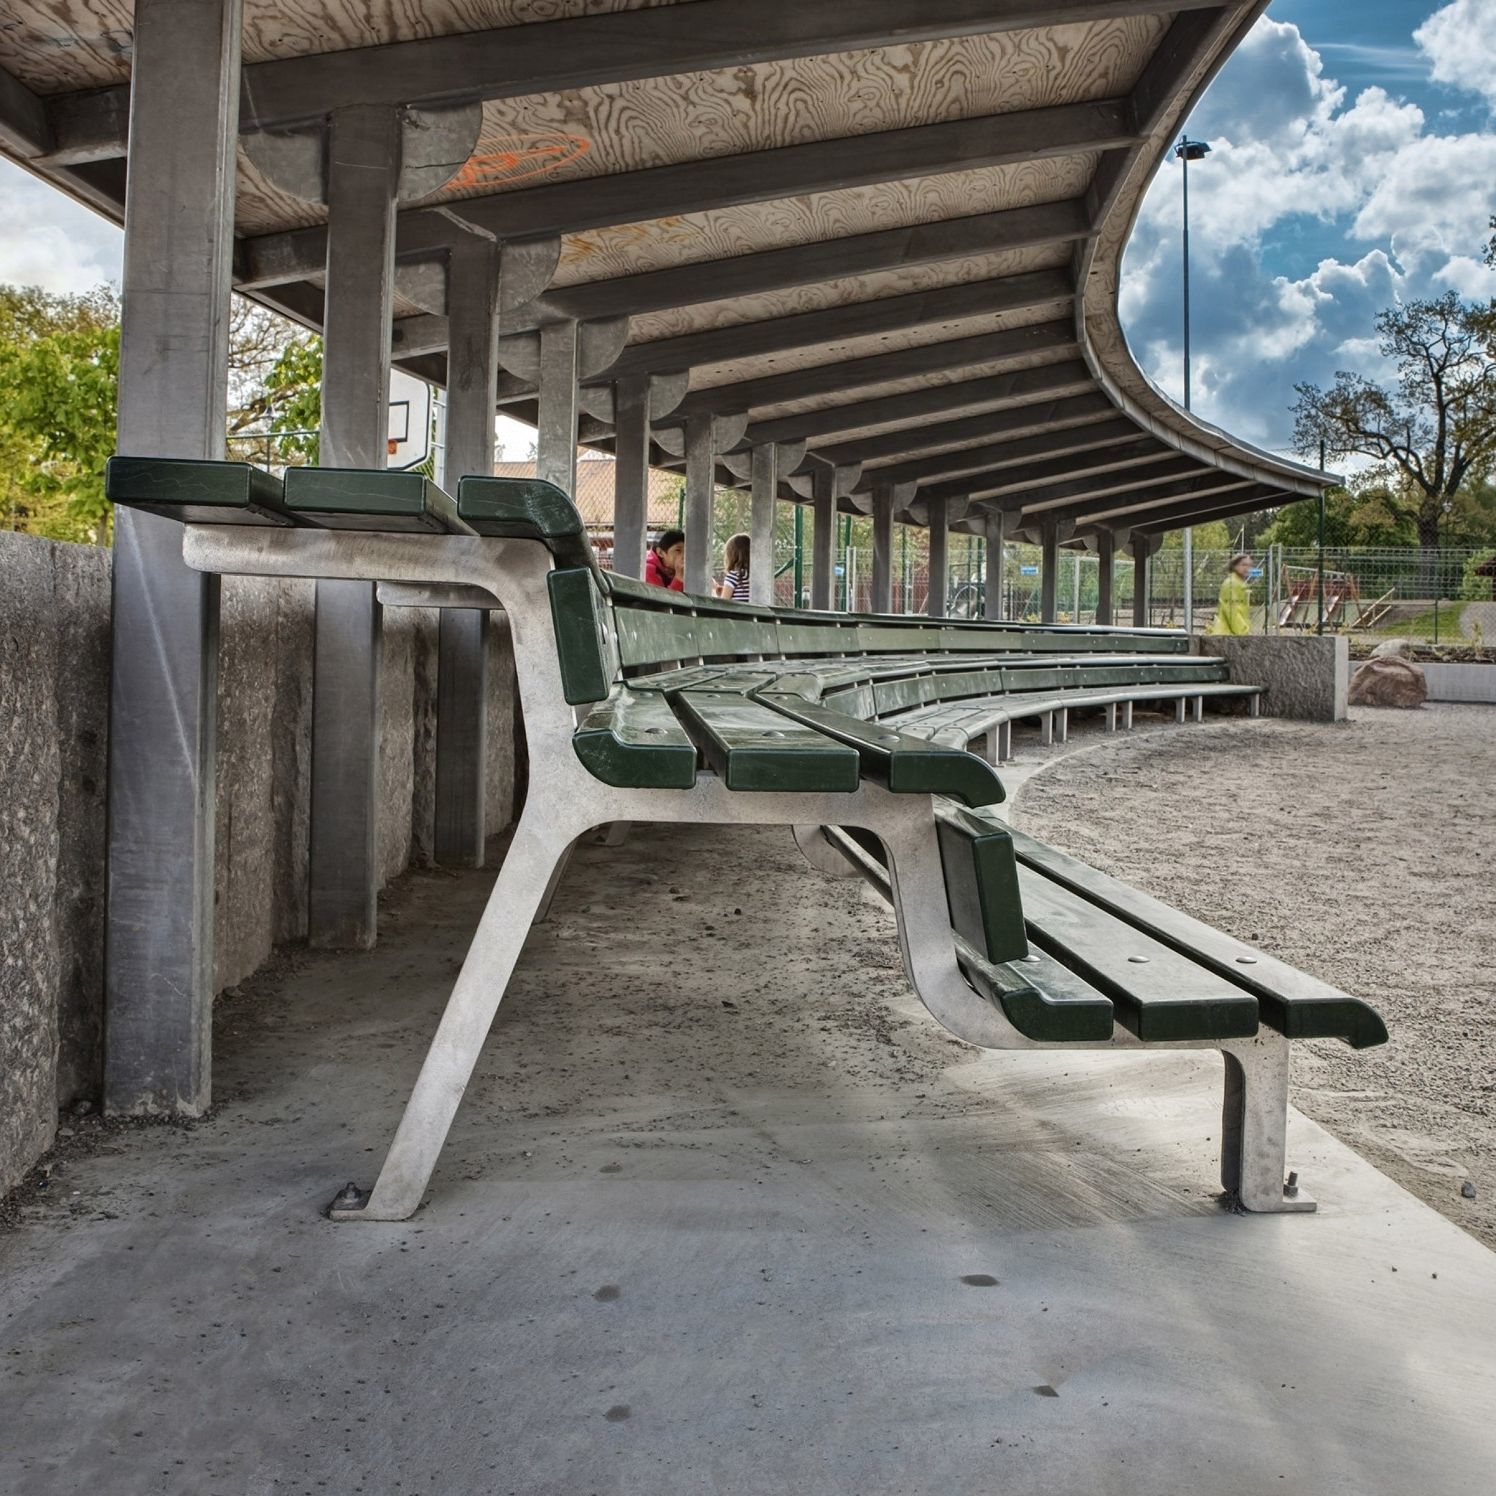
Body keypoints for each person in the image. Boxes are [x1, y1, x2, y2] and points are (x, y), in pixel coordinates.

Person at [1208, 553, 1254, 635]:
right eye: (1243, 564)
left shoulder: (1239, 583)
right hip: (1228, 634)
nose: (1247, 568)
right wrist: (1243, 631)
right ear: (1234, 566)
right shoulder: (1232, 584)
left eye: (1249, 565)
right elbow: (1232, 611)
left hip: (1231, 632)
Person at [715, 532, 751, 602]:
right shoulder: (753, 576)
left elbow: (723, 603)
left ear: (731, 555)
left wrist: (718, 595)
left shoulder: (733, 576)